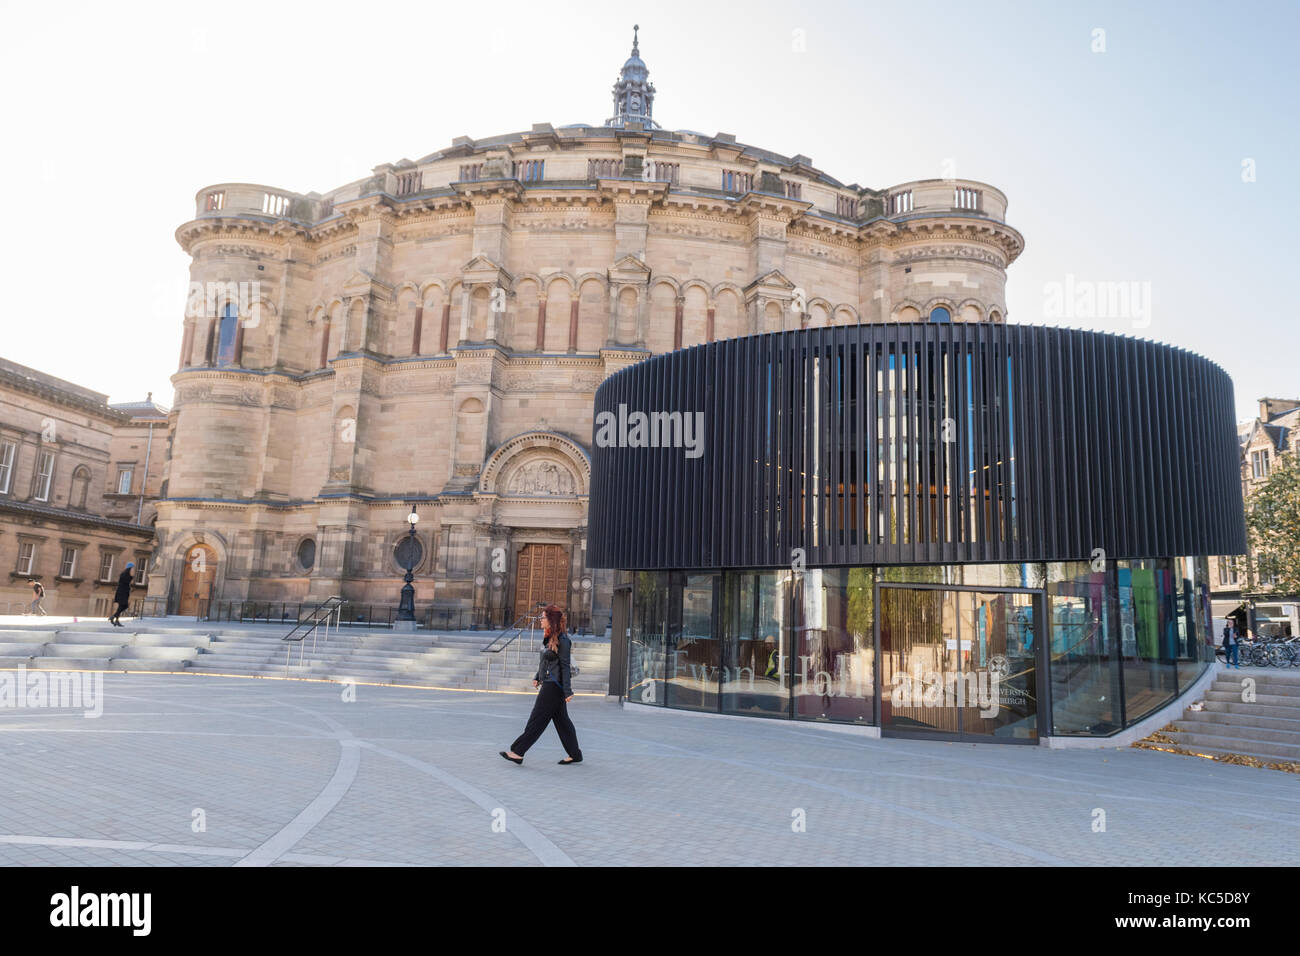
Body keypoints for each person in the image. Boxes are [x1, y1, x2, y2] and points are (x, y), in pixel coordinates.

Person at [500, 603, 583, 766]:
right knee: (562, 721)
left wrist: (568, 691)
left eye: (543, 618)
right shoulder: (548, 637)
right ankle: (575, 754)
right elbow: (545, 661)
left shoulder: (564, 640)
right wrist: (537, 676)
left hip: (555, 686)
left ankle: (518, 752)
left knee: (537, 719)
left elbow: (565, 666)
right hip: (548, 682)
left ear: (551, 619)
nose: (540, 620)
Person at [109, 561, 134, 627]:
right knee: (125, 606)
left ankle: (116, 620)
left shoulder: (125, 574)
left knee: (120, 607)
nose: (133, 569)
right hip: (122, 593)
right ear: (130, 568)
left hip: (122, 592)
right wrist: (131, 577)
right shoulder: (126, 575)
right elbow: (126, 582)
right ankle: (113, 616)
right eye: (132, 568)